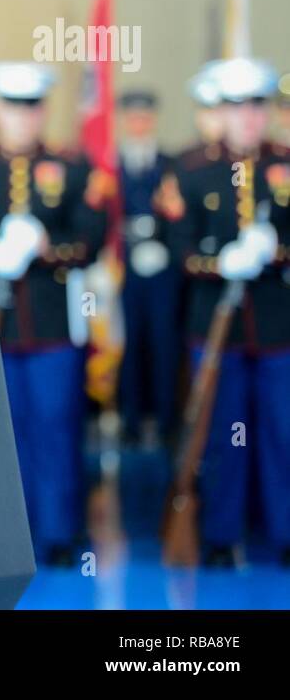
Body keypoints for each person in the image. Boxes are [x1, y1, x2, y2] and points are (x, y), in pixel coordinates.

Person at [0, 62, 109, 565]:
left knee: (56, 425)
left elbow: (92, 239)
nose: (22, 118)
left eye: (31, 107)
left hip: (55, 323)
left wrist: (47, 247)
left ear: (44, 112)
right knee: (2, 428)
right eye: (12, 106)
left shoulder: (74, 169)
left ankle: (58, 532)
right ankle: (10, 532)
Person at [158, 57, 290, 567]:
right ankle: (220, 534)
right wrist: (221, 262)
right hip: (216, 330)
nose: (250, 117)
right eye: (238, 107)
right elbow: (177, 249)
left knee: (283, 433)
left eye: (258, 106)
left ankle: (282, 533)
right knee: (222, 434)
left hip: (279, 328)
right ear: (223, 112)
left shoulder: (284, 164)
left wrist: (275, 251)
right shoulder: (192, 172)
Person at [116, 89, 181, 447]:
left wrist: (165, 245)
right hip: (125, 266)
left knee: (163, 340)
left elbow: (180, 215)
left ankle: (166, 418)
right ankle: (131, 418)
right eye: (133, 117)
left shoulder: (170, 164)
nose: (139, 124)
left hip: (163, 266)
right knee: (129, 340)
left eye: (145, 117)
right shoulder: (110, 166)